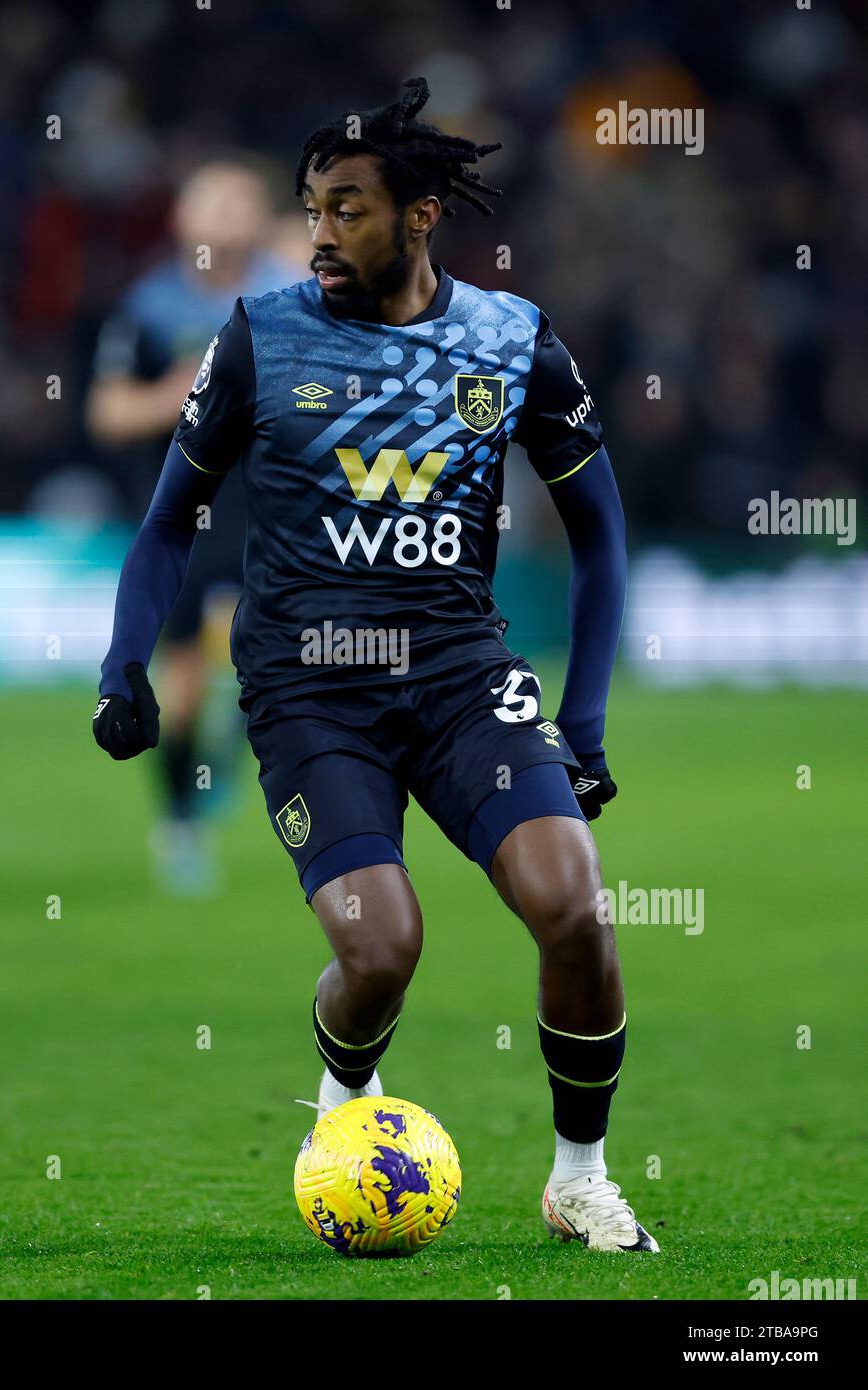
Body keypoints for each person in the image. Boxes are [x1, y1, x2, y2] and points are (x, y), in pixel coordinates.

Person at [93, 79, 655, 1252]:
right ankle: (344, 1106)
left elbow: (601, 536)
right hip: (310, 689)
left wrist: (586, 718)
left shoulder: (511, 341)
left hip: (461, 677)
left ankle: (580, 1177)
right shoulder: (262, 336)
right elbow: (166, 521)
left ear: (420, 216)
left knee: (575, 908)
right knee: (381, 945)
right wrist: (124, 663)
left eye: (346, 208)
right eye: (312, 207)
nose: (319, 234)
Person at [87, 160, 293, 892]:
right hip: (179, 512)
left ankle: (234, 754)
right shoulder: (150, 307)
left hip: (270, 508)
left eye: (242, 203)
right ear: (182, 219)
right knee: (180, 687)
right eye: (213, 203)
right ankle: (179, 819)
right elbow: (107, 413)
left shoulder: (291, 293)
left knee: (258, 661)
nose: (227, 217)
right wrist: (175, 399)